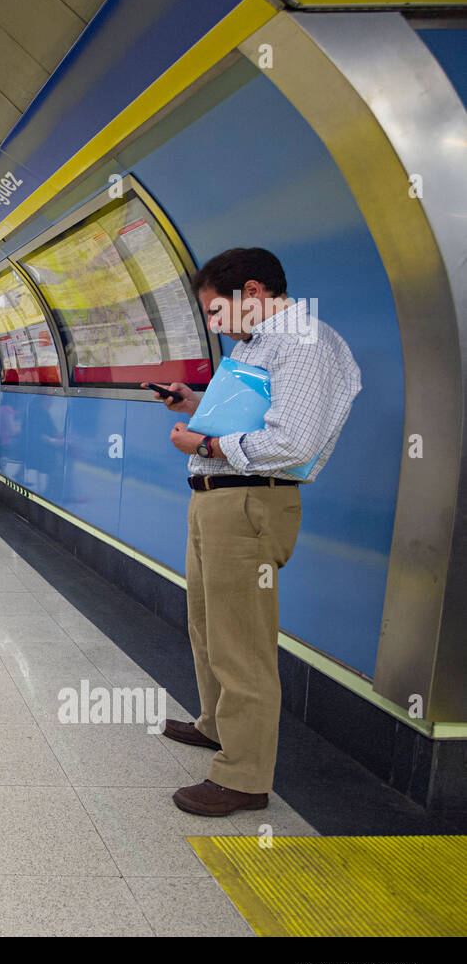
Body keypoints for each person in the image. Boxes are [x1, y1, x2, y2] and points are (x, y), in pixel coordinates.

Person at [145, 247, 360, 817]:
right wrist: (194, 404)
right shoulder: (260, 345)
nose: (215, 325)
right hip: (218, 498)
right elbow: (252, 417)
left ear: (256, 293)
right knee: (209, 626)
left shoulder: (303, 344)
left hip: (251, 504)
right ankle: (218, 725)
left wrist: (206, 444)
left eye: (218, 312)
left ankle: (243, 777)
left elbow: (292, 442)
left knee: (243, 641)